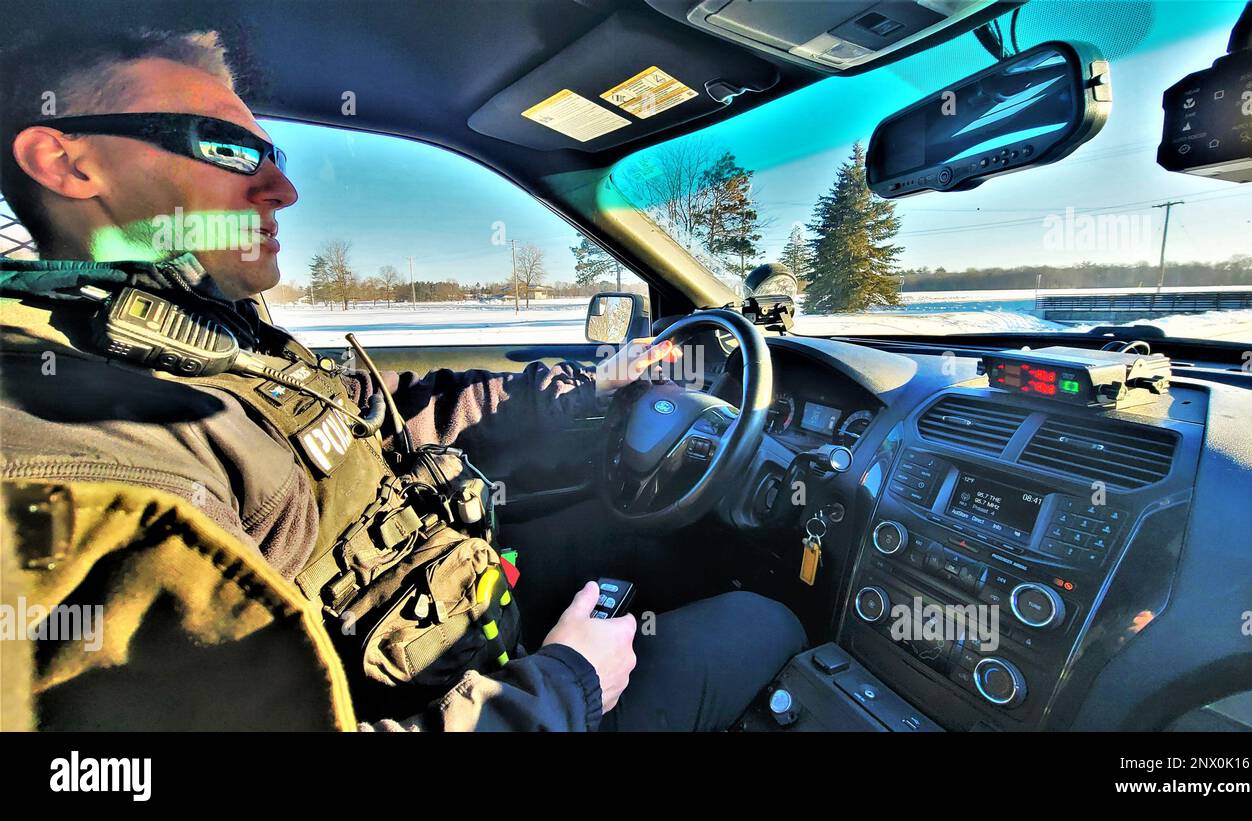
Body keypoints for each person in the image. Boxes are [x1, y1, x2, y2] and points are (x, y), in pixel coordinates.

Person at [0, 29, 805, 731]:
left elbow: (390, 414)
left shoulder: (201, 341)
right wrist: (568, 684)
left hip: (453, 625)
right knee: (764, 620)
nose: (283, 188)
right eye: (231, 149)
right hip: (484, 696)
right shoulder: (79, 450)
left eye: (272, 154)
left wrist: (588, 386)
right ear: (67, 162)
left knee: (631, 540)